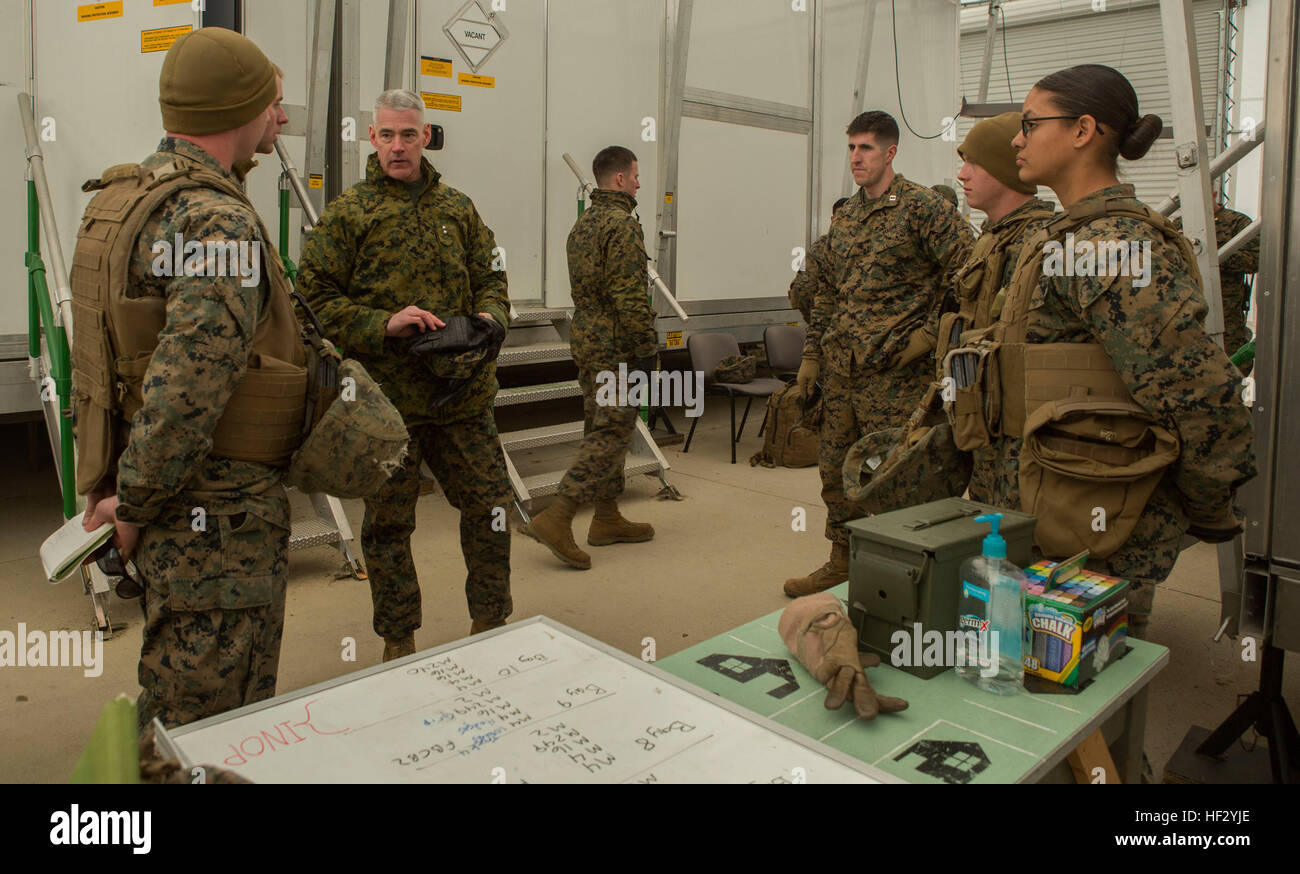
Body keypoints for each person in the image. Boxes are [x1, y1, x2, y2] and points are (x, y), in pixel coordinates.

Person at [73, 28, 305, 732]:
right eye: (273, 103)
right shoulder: (215, 222)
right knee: (211, 721)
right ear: (241, 108)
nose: (283, 118)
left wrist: (117, 485)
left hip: (158, 488)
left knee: (181, 694)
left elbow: (118, 361)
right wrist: (137, 507)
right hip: (216, 518)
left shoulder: (127, 198)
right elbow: (185, 385)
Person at [972, 64, 1255, 639]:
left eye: (1030, 124)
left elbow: (1200, 394)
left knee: (1083, 701)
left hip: (1094, 527)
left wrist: (1203, 501)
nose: (1017, 139)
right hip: (1044, 509)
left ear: (1083, 131)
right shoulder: (1064, 238)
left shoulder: (1111, 248)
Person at [297, 89, 513, 659]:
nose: (398, 146)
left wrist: (493, 315)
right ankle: (399, 639)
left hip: (462, 396)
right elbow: (312, 299)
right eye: (387, 135)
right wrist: (381, 323)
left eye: (409, 134)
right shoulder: (349, 215)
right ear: (372, 138)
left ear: (427, 137)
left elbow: (491, 272)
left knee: (489, 507)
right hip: (387, 404)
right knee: (390, 526)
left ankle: (491, 623)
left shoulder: (458, 209)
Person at [785, 111, 975, 597]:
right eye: (851, 147)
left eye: (866, 148)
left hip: (897, 376)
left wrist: (932, 336)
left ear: (890, 152)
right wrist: (811, 356)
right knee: (835, 472)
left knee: (897, 477)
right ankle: (843, 560)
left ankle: (905, 577)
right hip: (843, 373)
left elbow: (972, 274)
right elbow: (824, 290)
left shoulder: (923, 209)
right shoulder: (846, 216)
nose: (855, 157)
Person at [522, 146, 656, 570]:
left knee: (600, 424)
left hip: (588, 339)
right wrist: (647, 347)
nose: (638, 182)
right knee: (612, 432)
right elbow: (629, 295)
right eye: (635, 175)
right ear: (619, 179)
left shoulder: (581, 226)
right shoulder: (622, 226)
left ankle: (606, 517)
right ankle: (559, 515)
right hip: (617, 345)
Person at [1174, 190, 1259, 357]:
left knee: (1230, 367)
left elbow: (1254, 260)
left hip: (1226, 315)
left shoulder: (1237, 222)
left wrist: (1212, 250)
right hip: (1187, 311)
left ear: (1212, 192)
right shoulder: (1179, 224)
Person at [788, 197, 850, 324]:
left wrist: (818, 321)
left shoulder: (819, 248)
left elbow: (801, 290)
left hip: (826, 328)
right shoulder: (869, 248)